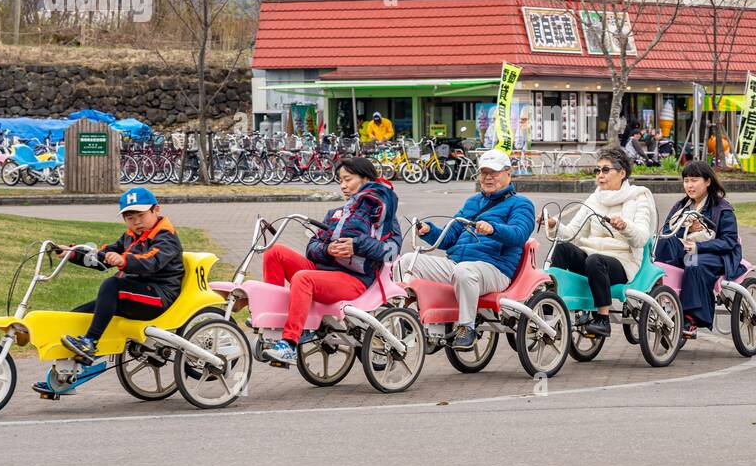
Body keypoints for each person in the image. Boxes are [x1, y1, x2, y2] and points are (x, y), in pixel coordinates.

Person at [260, 157, 400, 363]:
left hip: (354, 279)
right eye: (340, 180)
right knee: (275, 252)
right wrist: (328, 249)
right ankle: (274, 322)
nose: (342, 185)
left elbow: (391, 252)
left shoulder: (384, 215)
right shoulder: (336, 214)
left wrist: (356, 245)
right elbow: (312, 248)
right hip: (323, 271)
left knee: (303, 278)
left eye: (348, 179)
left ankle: (289, 344)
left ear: (366, 179)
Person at [399, 149, 535, 350]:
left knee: (465, 271)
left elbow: (519, 234)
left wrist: (493, 229)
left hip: (495, 270)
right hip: (458, 265)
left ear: (508, 173)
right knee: (407, 261)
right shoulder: (472, 202)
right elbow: (449, 237)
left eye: (494, 173)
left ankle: (467, 328)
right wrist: (428, 231)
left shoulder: (521, 204)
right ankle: (403, 319)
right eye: (484, 173)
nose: (488, 177)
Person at [541, 147, 656, 338]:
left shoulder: (638, 198)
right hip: (591, 259)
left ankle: (603, 319)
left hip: (622, 262)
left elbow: (642, 238)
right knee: (562, 249)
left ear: (622, 173)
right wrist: (554, 224)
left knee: (595, 260)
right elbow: (572, 234)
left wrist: (625, 226)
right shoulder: (594, 199)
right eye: (597, 170)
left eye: (605, 170)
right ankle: (549, 313)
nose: (600, 175)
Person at [59, 188, 185, 363]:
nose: (136, 222)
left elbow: (151, 261)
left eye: (141, 215)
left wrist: (123, 260)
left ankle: (90, 342)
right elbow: (103, 256)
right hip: (134, 294)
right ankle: (64, 372)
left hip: (158, 296)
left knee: (112, 285)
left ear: (156, 210)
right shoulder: (130, 236)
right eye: (130, 218)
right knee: (81, 314)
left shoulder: (166, 237)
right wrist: (72, 254)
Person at [654, 160, 743, 337]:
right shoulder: (681, 207)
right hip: (684, 251)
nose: (689, 185)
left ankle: (691, 317)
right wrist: (684, 229)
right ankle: (660, 293)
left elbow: (729, 241)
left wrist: (699, 247)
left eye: (694, 180)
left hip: (714, 254)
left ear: (708, 181)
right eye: (686, 180)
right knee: (661, 243)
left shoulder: (722, 208)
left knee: (694, 264)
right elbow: (666, 232)